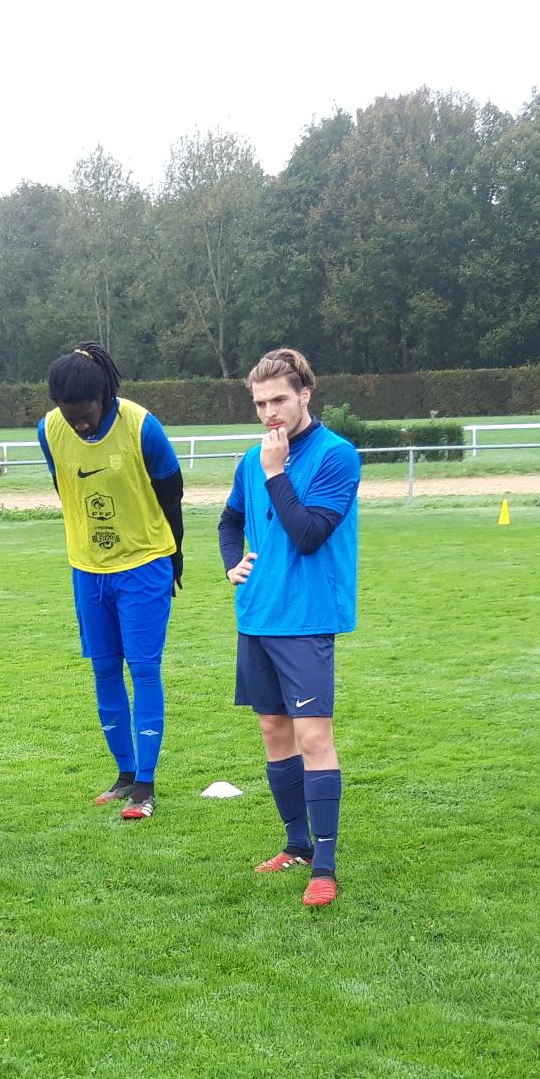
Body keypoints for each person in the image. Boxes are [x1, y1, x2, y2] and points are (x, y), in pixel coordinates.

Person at [220, 348, 360, 908]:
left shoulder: (336, 456)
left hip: (306, 617)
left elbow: (308, 535)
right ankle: (296, 845)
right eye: (260, 403)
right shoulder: (250, 459)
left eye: (279, 399)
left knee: (313, 738)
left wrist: (277, 472)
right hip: (257, 615)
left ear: (305, 395)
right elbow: (230, 520)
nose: (269, 412)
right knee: (274, 732)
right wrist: (232, 563)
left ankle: (324, 867)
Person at [36, 342, 185, 819]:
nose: (79, 424)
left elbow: (172, 493)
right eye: (69, 415)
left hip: (144, 564)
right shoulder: (48, 430)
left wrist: (175, 556)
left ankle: (145, 785)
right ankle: (124, 773)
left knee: (143, 671)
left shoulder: (142, 427)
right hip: (88, 569)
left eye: (85, 414)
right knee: (104, 669)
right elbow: (65, 486)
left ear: (103, 396)